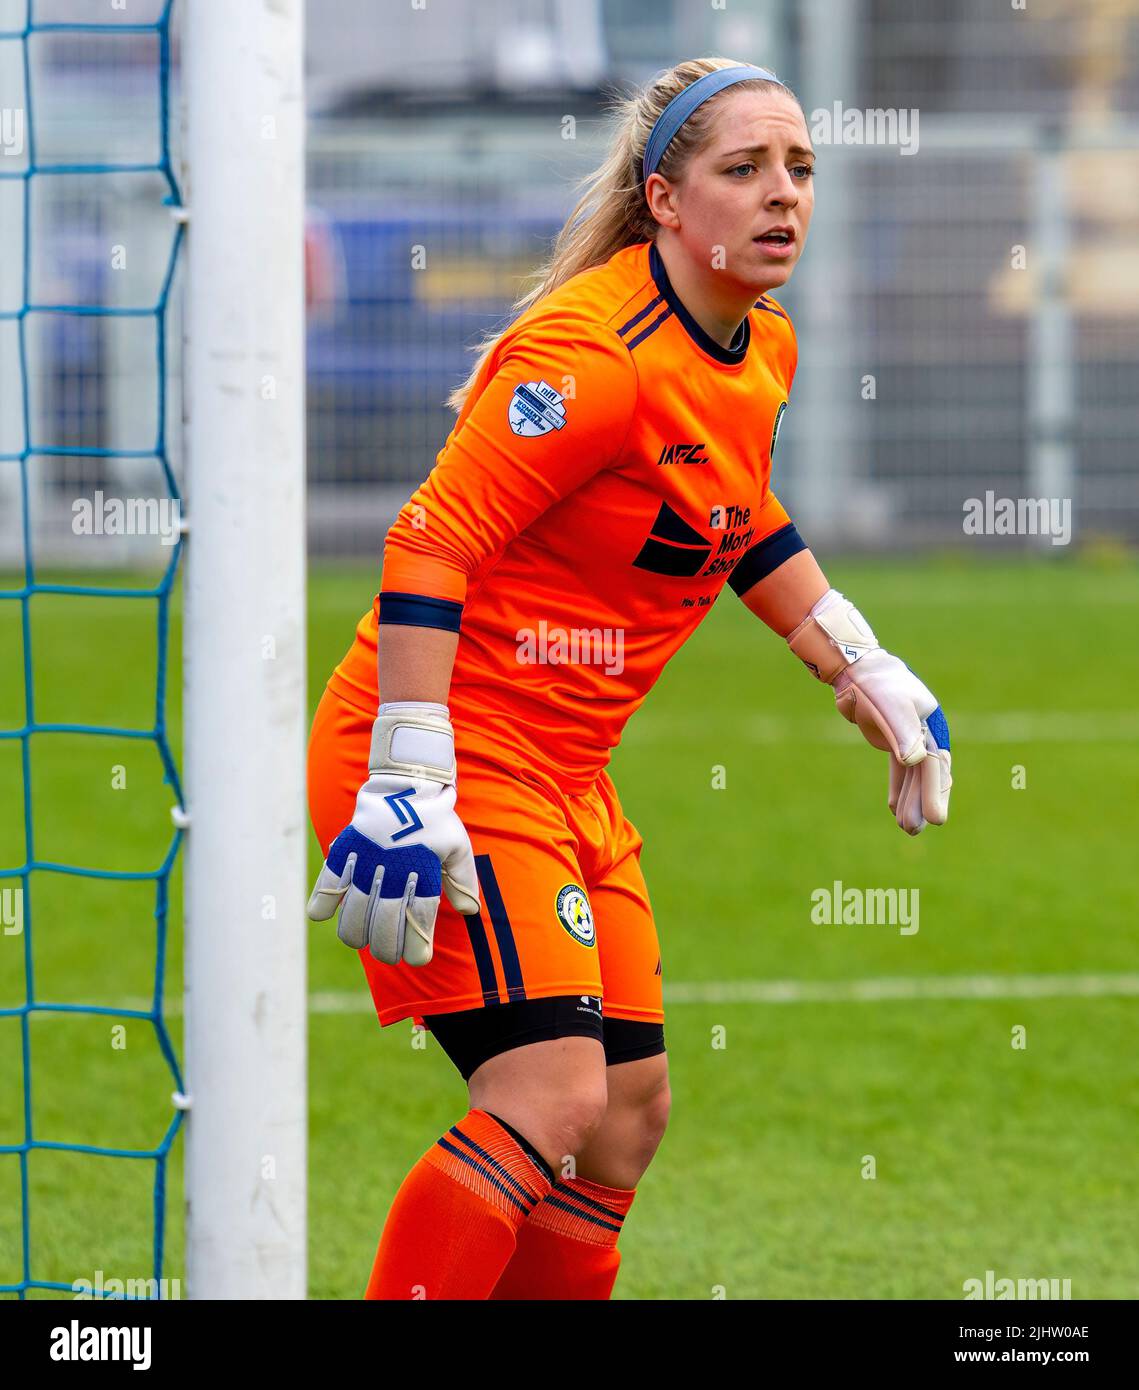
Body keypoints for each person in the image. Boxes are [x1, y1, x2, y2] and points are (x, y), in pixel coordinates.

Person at [305, 56, 952, 1302]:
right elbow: (429, 539)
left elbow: (732, 512)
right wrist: (406, 770)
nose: (783, 196)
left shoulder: (760, 342)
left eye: (800, 168)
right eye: (744, 169)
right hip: (449, 752)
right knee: (549, 1093)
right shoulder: (588, 353)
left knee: (623, 1116)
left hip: (564, 773)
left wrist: (855, 653)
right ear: (663, 199)